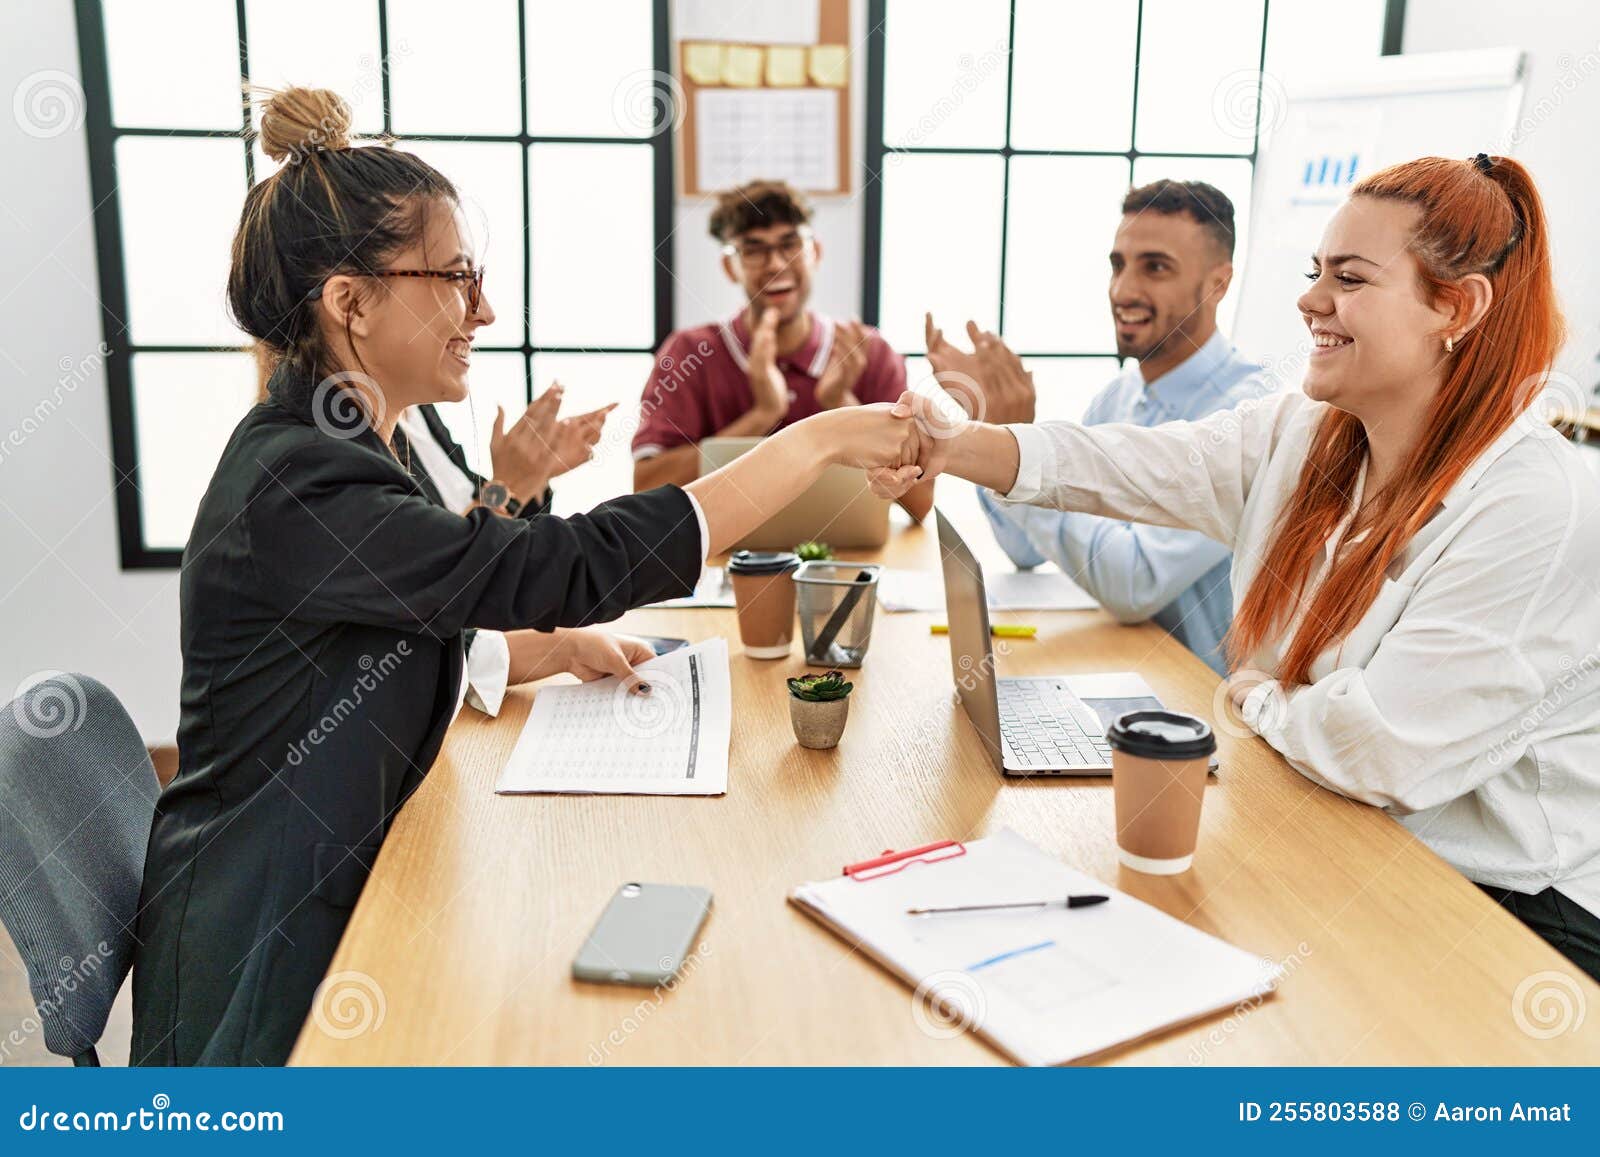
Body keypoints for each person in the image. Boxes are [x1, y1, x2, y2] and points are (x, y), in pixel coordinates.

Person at [132, 87, 925, 1066]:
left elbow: (451, 587)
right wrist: (816, 440)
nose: (485, 309)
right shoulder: (302, 478)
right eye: (457, 277)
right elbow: (562, 566)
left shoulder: (340, 446)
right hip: (267, 956)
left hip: (335, 876)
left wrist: (530, 581)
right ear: (351, 302)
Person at [871, 155, 1600, 980]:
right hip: (1341, 827)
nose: (1310, 299)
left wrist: (1254, 696)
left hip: (1515, 908)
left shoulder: (1537, 505)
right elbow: (1125, 463)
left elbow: (1378, 753)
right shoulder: (1305, 429)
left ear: (1458, 307)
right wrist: (952, 444)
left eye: (1351, 278)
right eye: (1314, 271)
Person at [925, 180, 1268, 675]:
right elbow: (1023, 551)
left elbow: (1134, 585)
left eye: (1155, 267)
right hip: (1117, 667)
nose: (1123, 290)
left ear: (1218, 283)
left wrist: (1018, 451)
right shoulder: (1118, 397)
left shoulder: (1247, 416)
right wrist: (998, 437)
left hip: (1199, 703)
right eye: (1118, 264)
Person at [631, 179, 934, 521]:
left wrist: (842, 406)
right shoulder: (688, 353)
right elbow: (646, 486)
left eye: (789, 244)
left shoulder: (871, 352)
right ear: (731, 267)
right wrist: (762, 415)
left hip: (845, 563)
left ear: (815, 253)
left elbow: (920, 504)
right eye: (754, 249)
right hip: (720, 561)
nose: (775, 264)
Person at [396, 386, 612, 715]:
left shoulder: (419, 411)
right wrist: (509, 488)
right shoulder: (359, 437)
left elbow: (472, 509)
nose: (472, 331)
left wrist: (535, 475)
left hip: (491, 641)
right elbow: (436, 570)